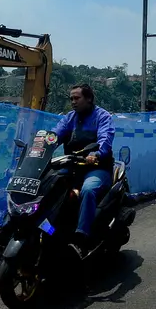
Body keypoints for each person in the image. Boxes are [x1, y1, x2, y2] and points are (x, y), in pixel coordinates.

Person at [51, 84, 115, 256]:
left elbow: (105, 139)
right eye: (71, 98)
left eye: (77, 98)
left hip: (97, 168)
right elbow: (56, 133)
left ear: (89, 99)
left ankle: (82, 238)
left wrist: (96, 154)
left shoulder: (102, 117)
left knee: (88, 190)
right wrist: (43, 142)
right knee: (51, 185)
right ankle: (50, 230)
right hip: (72, 167)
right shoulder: (70, 118)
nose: (73, 102)